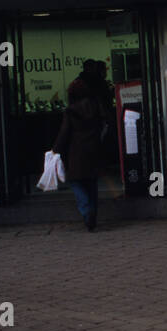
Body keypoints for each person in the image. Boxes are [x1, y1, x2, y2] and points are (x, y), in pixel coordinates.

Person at [54, 77, 107, 232]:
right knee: (92, 184)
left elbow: (64, 133)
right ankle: (93, 215)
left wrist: (55, 150)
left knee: (76, 182)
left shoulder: (71, 111)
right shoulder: (96, 106)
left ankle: (86, 210)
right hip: (94, 149)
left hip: (77, 151)